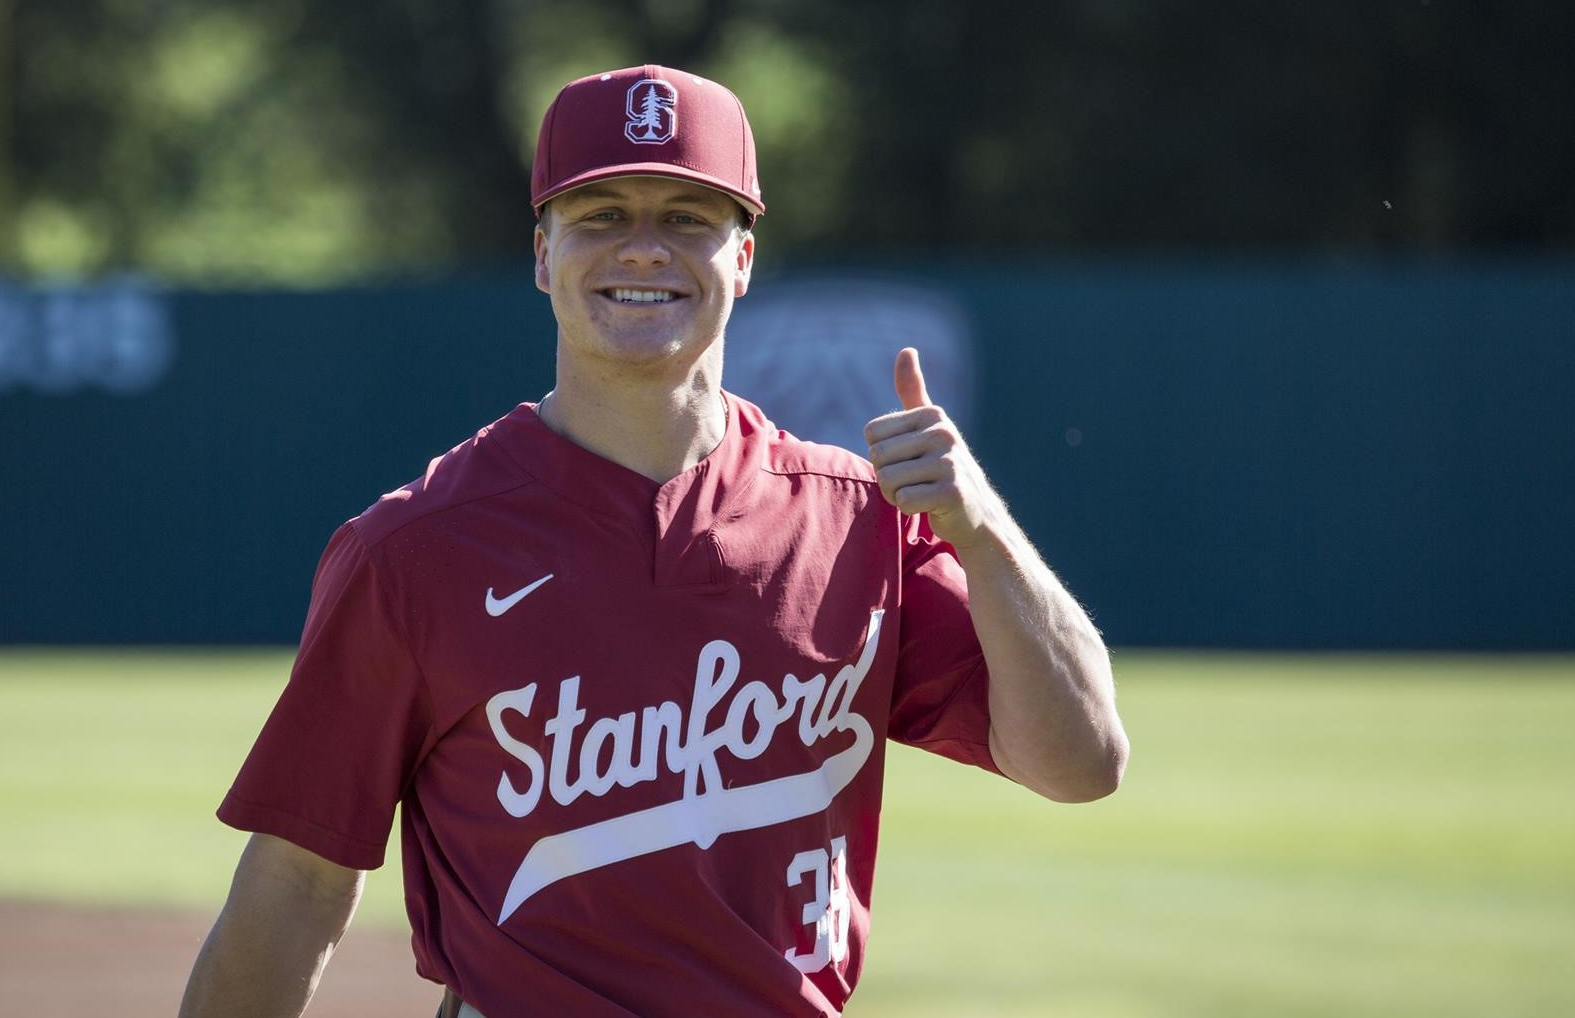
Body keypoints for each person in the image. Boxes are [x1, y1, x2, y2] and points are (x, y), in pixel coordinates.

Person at [178, 64, 1127, 1018]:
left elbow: (1080, 763)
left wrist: (983, 527)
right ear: (543, 253)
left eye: (685, 217)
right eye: (600, 215)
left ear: (744, 258)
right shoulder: (414, 553)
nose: (642, 250)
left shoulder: (855, 521)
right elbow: (297, 886)